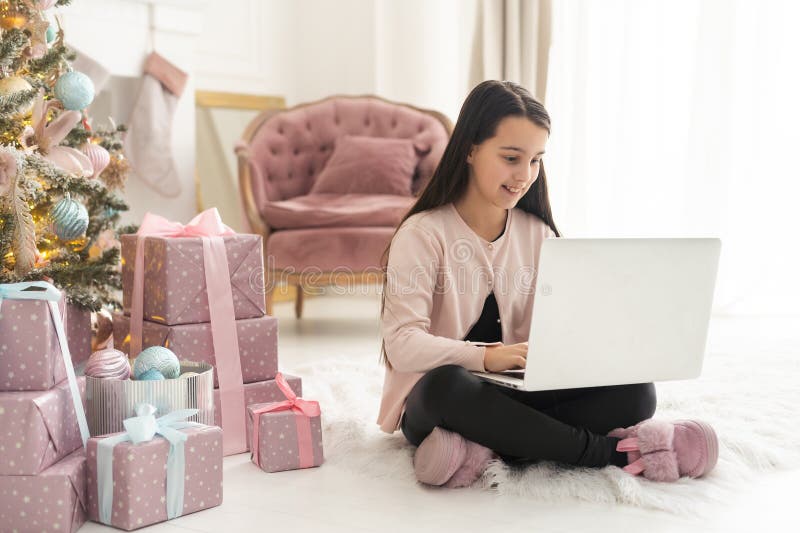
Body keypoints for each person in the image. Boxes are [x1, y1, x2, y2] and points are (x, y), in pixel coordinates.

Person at [376, 80, 718, 488]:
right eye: (511, 157)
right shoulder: (422, 234)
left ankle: (480, 447)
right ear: (469, 149)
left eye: (536, 160)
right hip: (443, 398)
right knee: (446, 385)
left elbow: (562, 329)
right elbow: (402, 342)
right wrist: (488, 357)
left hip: (517, 393)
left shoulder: (538, 233)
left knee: (637, 392)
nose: (525, 175)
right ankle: (603, 452)